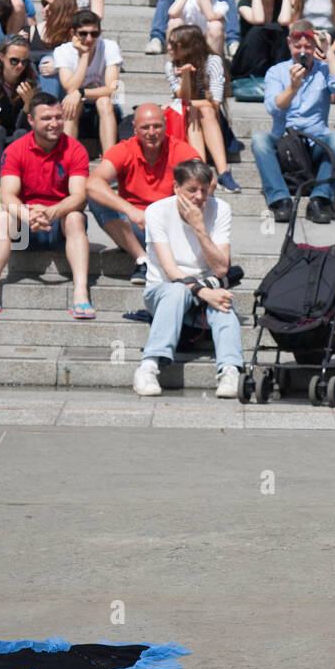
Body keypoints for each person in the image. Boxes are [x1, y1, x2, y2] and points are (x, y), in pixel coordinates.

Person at [0, 91, 93, 319]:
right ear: (31, 120)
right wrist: (27, 216)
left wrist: (53, 211)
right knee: (3, 217)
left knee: (76, 216)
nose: (54, 124)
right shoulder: (16, 149)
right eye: (46, 118)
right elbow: (7, 195)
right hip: (25, 226)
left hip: (59, 225)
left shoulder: (75, 149)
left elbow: (79, 196)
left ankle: (81, 294)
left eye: (58, 117)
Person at [133, 158, 244, 398]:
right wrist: (207, 293)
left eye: (204, 190)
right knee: (178, 291)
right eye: (191, 190)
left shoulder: (220, 209)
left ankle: (230, 370)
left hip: (206, 286)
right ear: (176, 188)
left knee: (223, 303)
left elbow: (222, 268)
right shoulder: (157, 212)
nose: (199, 196)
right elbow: (171, 272)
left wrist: (199, 227)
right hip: (164, 290)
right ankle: (149, 366)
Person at [87, 103, 201, 285]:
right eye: (145, 127)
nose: (152, 132)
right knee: (94, 197)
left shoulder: (178, 148)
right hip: (137, 225)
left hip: (170, 226)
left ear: (165, 126)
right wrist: (131, 211)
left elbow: (204, 178)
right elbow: (93, 183)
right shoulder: (124, 149)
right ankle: (143, 260)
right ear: (134, 128)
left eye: (157, 126)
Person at [257, 21, 335, 223]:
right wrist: (292, 87)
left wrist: (327, 49)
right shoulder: (277, 72)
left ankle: (320, 199)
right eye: (297, 47)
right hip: (286, 142)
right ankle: (280, 200)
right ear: (289, 43)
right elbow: (273, 107)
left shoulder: (323, 70)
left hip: (315, 142)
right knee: (259, 140)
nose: (303, 52)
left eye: (308, 47)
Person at [164, 22, 240, 192]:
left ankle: (223, 173)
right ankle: (203, 172)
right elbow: (182, 97)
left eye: (173, 44)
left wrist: (180, 103)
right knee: (193, 109)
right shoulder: (171, 66)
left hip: (210, 119)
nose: (168, 48)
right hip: (185, 119)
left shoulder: (212, 61)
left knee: (202, 109)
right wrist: (185, 75)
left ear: (190, 46)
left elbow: (215, 104)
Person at [0, 36, 37, 216]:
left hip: (17, 139)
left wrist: (27, 105)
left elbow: (26, 127)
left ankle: (16, 190)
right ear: (1, 57)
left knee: (20, 133)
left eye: (24, 62)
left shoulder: (32, 85)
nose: (19, 66)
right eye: (14, 60)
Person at [54, 8, 121, 153]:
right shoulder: (62, 51)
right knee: (72, 102)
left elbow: (113, 89)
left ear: (100, 33)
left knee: (104, 101)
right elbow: (70, 88)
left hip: (105, 108)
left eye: (94, 34)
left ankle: (110, 159)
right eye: (83, 34)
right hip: (75, 109)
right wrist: (84, 55)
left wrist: (81, 92)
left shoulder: (109, 47)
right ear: (73, 33)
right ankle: (67, 159)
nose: (89, 39)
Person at [232, 0, 292, 78]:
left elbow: (284, 21)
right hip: (249, 61)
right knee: (258, 31)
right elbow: (258, 20)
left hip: (275, 59)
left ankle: (280, 76)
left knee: (282, 30)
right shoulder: (245, 3)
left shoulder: (283, 5)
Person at [27, 0, 75, 100]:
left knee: (49, 61)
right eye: (44, 3)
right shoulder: (32, 31)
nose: (45, 8)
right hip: (33, 86)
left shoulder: (75, 34)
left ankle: (49, 108)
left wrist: (59, 66)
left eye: (51, 5)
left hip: (65, 88)